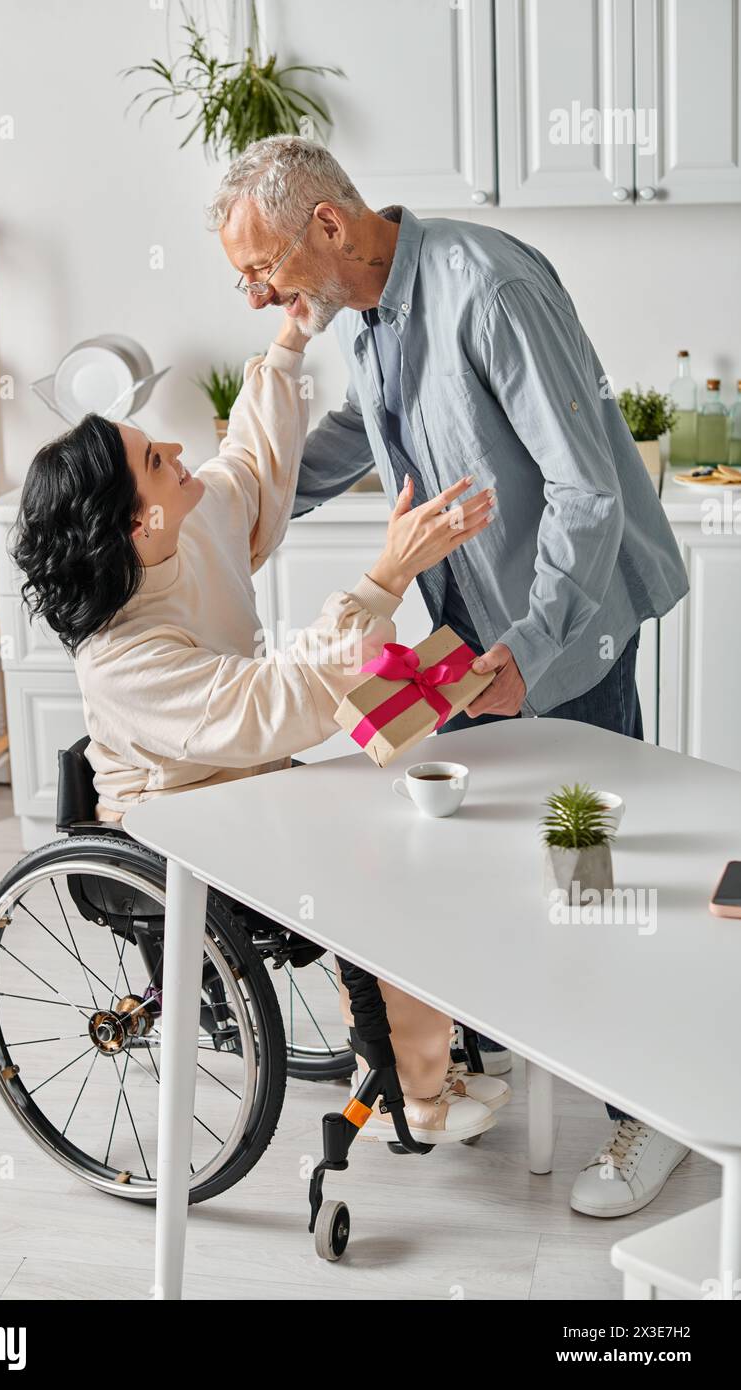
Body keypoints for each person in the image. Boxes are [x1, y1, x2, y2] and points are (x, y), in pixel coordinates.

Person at [211, 135, 691, 1219]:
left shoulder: (488, 289)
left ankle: (651, 1112)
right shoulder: (374, 313)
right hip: (471, 643)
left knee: (590, 881)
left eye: (263, 267)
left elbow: (584, 496)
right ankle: (507, 1052)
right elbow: (368, 442)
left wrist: (530, 651)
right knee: (488, 872)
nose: (257, 296)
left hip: (564, 635)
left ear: (327, 227)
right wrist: (241, 493)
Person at [11, 316, 503, 1146]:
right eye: (155, 461)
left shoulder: (183, 522)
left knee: (412, 821)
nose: (175, 450)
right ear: (137, 524)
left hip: (249, 763)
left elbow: (251, 464)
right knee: (380, 863)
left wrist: (289, 344)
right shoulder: (122, 658)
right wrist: (385, 576)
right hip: (181, 812)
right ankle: (416, 1093)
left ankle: (413, 1041)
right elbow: (273, 701)